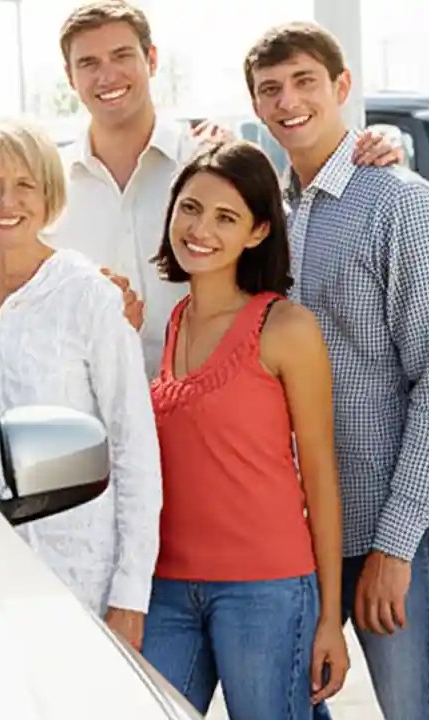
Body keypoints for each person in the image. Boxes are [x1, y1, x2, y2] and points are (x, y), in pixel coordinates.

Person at [245, 22, 429, 720]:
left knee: (416, 710)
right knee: (285, 699)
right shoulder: (269, 214)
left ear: (342, 87)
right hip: (302, 525)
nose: (289, 102)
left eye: (305, 81)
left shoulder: (402, 204)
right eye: (270, 89)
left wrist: (395, 548)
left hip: (394, 521)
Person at [44, 1, 403, 379]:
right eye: (89, 63)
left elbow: (280, 249)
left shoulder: (209, 164)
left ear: (151, 60)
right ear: (69, 77)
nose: (108, 75)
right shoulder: (48, 187)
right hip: (93, 418)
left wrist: (370, 149)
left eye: (122, 55)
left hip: (209, 414)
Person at [0, 119, 162, 650]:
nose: (7, 201)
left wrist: (129, 595)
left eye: (25, 185)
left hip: (80, 569)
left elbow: (133, 446)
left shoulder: (88, 294)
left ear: (49, 197)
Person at [142, 140, 347, 717]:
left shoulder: (286, 327)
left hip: (267, 591)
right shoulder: (171, 322)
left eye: (225, 217)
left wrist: (329, 618)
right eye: (190, 207)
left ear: (257, 232)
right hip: (169, 586)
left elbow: (320, 476)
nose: (200, 228)